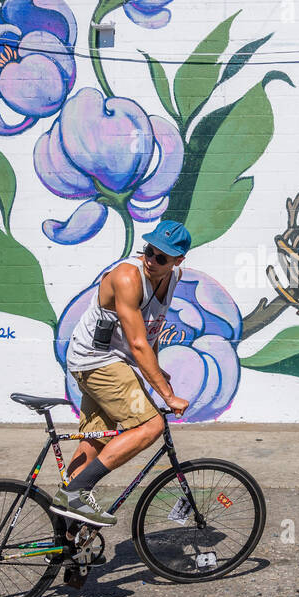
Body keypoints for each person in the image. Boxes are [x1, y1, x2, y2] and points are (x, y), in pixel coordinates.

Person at [51, 220, 192, 526]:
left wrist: (157, 370)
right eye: (149, 251)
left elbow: (151, 327)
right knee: (151, 426)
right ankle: (75, 492)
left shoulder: (174, 277)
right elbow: (138, 342)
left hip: (111, 362)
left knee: (96, 439)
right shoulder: (128, 276)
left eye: (162, 257)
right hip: (96, 360)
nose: (152, 260)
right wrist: (168, 395)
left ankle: (69, 540)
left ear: (178, 261)